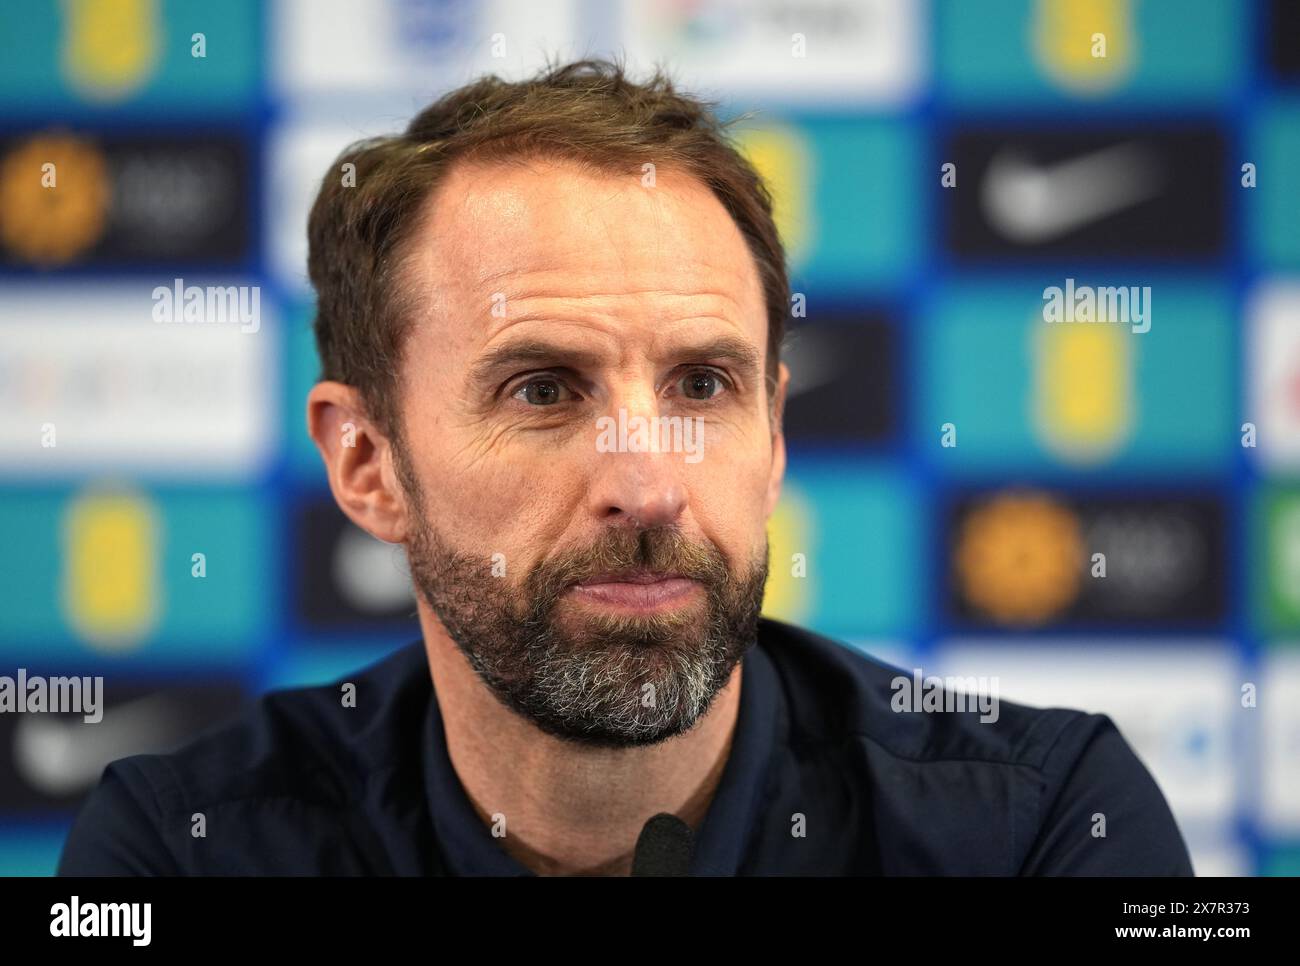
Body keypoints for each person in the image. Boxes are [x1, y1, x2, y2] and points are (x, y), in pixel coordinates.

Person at [58, 58, 1193, 876]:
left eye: (703, 386)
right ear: (367, 464)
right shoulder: (177, 851)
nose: (647, 486)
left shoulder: (1043, 829)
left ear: (776, 435)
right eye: (543, 391)